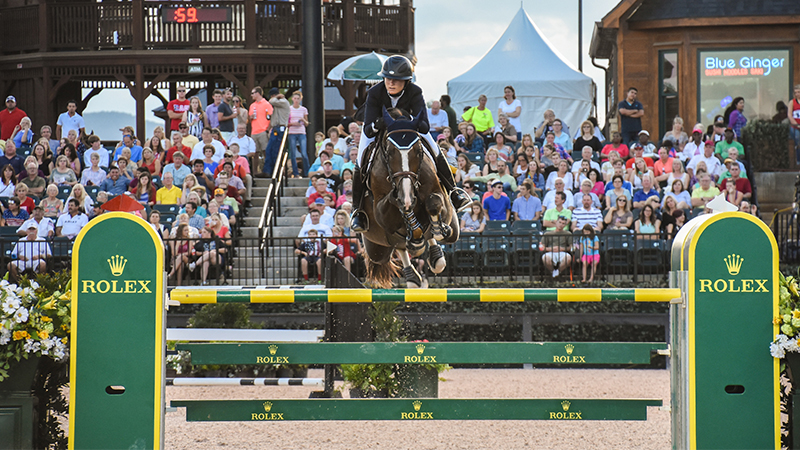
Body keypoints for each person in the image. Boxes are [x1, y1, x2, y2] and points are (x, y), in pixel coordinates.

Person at [351, 55, 470, 232]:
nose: (390, 83)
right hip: (380, 132)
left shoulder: (415, 91)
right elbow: (368, 129)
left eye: (396, 80)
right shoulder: (375, 93)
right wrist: (381, 123)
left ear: (405, 81)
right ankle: (358, 211)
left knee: (435, 151)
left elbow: (424, 125)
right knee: (361, 162)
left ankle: (454, 192)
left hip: (409, 131)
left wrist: (405, 120)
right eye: (387, 78)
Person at [262, 88, 290, 177]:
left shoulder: (284, 102)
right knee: (269, 150)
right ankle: (267, 171)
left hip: (280, 129)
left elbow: (271, 101)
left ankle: (277, 172)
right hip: (275, 129)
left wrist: (277, 96)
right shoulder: (277, 105)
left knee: (276, 151)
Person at [287, 91, 309, 177]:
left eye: (298, 98)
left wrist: (303, 120)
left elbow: (307, 123)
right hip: (292, 132)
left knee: (304, 153)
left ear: (300, 99)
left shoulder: (304, 109)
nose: (296, 100)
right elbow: (286, 123)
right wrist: (293, 124)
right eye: (295, 98)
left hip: (301, 132)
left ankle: (307, 172)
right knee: (293, 153)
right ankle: (295, 172)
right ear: (292, 99)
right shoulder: (289, 109)